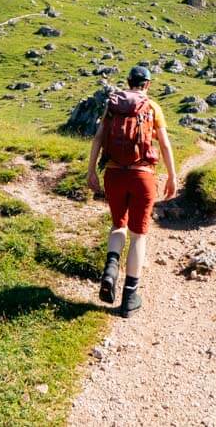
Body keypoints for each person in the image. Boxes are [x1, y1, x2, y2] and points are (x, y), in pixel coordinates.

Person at [86, 65, 177, 317]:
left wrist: (91, 170)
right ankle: (129, 298)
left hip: (114, 175)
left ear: (128, 82)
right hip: (142, 176)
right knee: (138, 235)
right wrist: (172, 175)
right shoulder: (152, 107)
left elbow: (97, 138)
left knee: (118, 226)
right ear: (147, 84)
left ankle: (111, 270)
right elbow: (165, 144)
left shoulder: (112, 106)